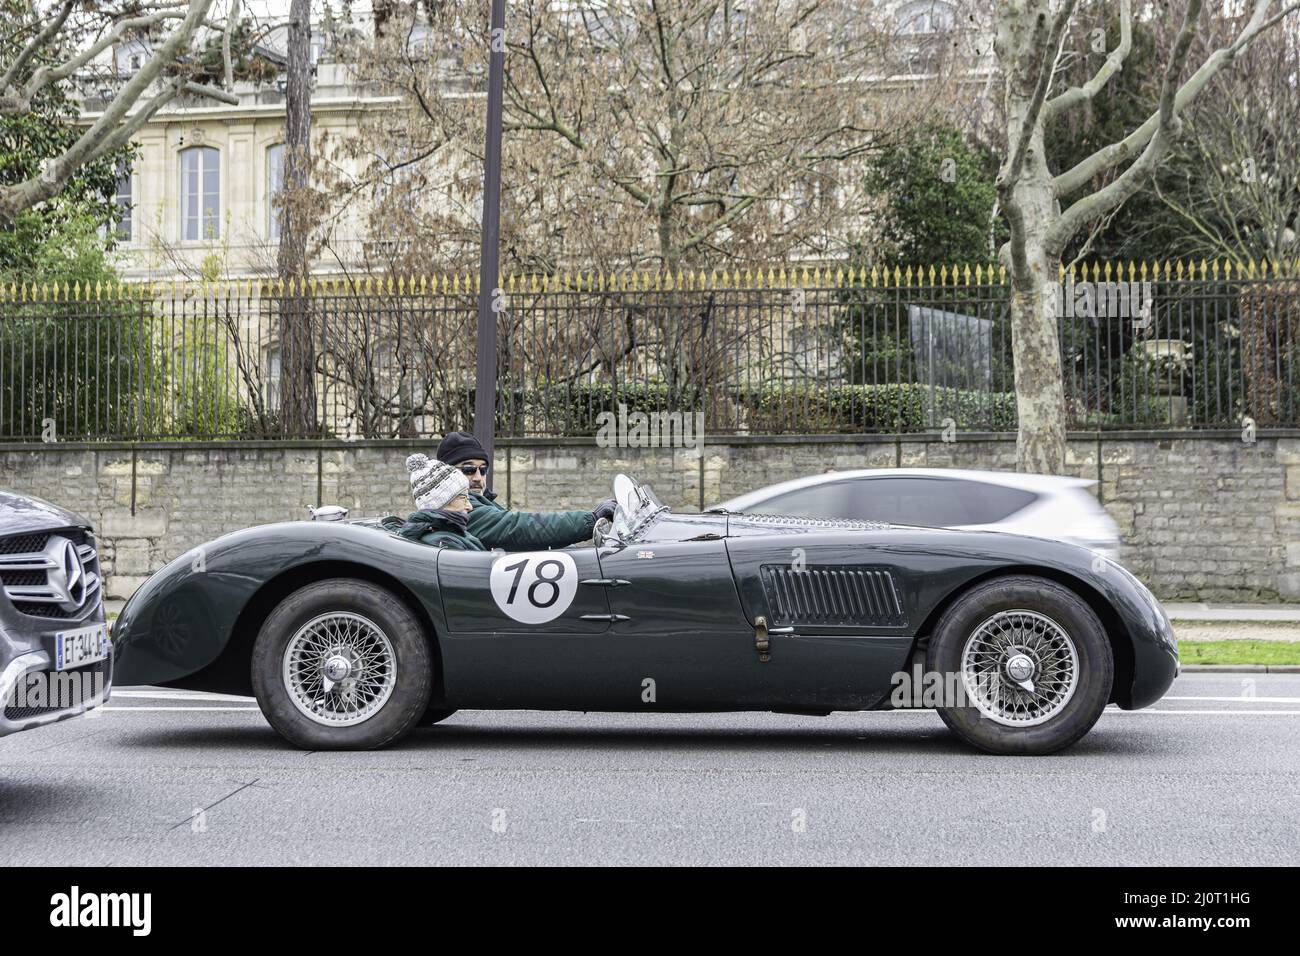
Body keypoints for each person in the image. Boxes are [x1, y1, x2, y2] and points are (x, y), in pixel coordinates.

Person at [435, 431, 617, 550]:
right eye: (468, 470)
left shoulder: (480, 502)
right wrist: (591, 519)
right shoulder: (458, 509)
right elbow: (517, 527)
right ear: (448, 474)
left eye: (483, 470)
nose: (477, 477)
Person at [381, 455, 486, 551]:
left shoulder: (447, 534)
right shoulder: (445, 542)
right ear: (441, 503)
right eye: (463, 498)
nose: (470, 506)